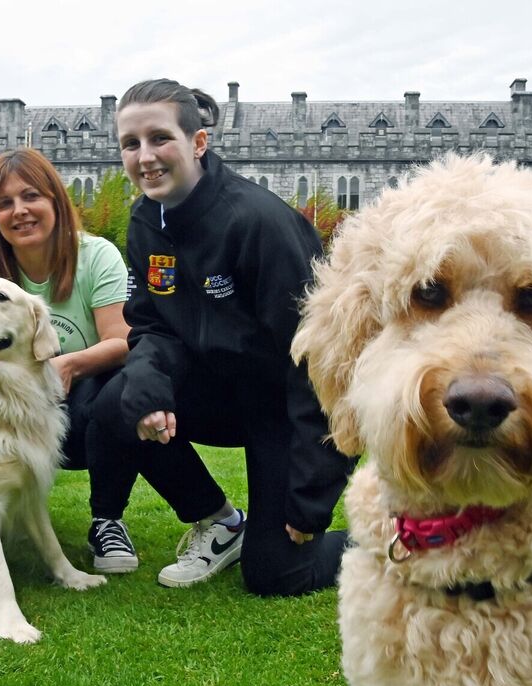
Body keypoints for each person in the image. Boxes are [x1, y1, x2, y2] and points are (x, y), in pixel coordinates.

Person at [89, 78, 357, 597]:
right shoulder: (146, 220)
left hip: (280, 405)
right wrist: (148, 386)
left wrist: (309, 501)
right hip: (217, 393)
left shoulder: (259, 223)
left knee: (277, 573)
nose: (145, 157)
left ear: (199, 142)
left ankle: (383, 540)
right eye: (130, 143)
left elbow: (321, 365)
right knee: (121, 399)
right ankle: (220, 522)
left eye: (160, 138)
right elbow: (151, 324)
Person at [0, 148, 139, 573]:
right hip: (4, 412)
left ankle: (107, 519)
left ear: (56, 199)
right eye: (4, 203)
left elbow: (123, 339)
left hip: (82, 407)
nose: (19, 211)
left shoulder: (97, 255)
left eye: (31, 196)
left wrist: (68, 366)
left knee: (125, 387)